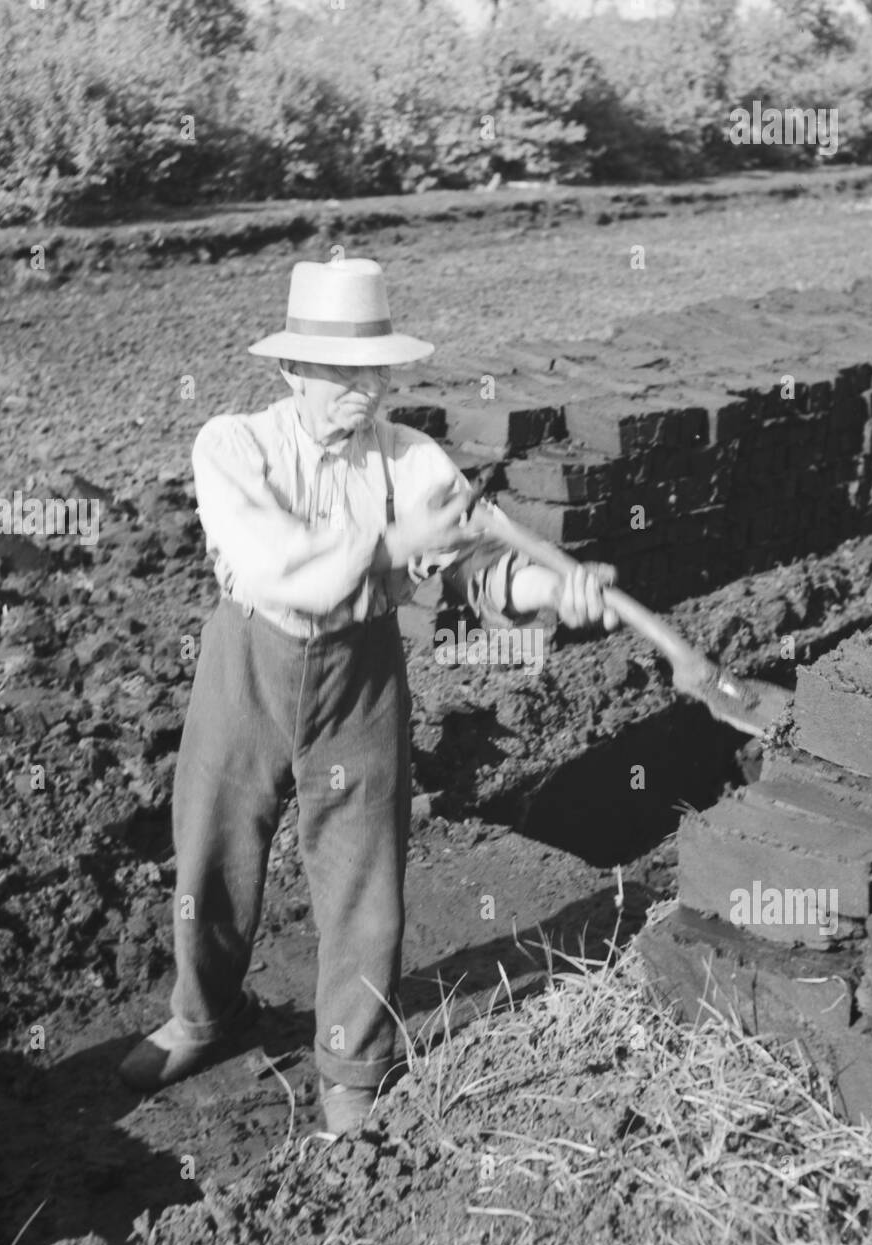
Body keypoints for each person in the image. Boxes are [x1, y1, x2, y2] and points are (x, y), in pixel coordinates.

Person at [118, 257, 619, 1134]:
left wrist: (554, 593)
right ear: (291, 369)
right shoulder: (231, 447)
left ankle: (351, 1062)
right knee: (211, 848)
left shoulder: (411, 458)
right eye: (343, 372)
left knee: (363, 871)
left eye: (376, 370)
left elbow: (477, 569)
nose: (364, 388)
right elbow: (284, 566)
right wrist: (394, 537)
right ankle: (204, 1016)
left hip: (361, 676)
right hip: (248, 663)